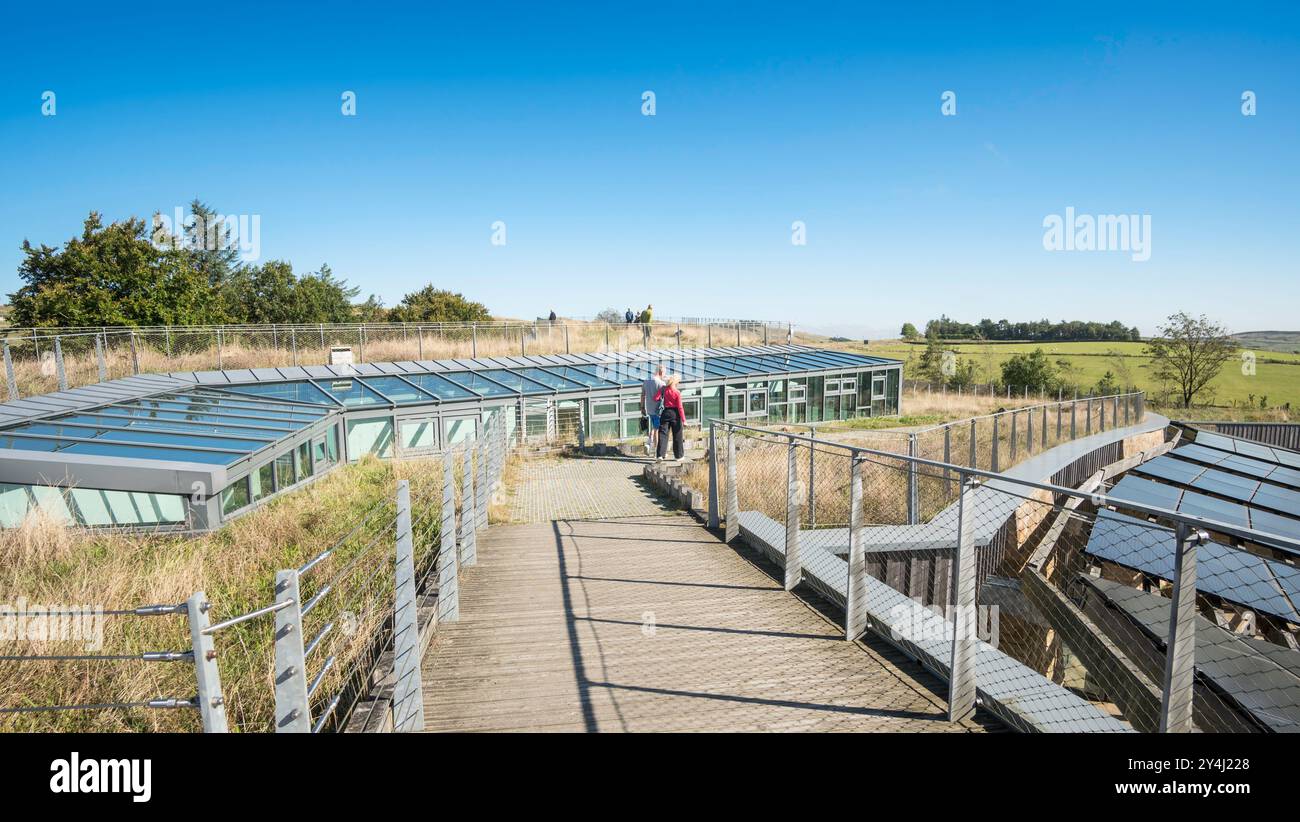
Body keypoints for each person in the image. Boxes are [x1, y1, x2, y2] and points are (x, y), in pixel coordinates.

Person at [655, 374, 685, 460]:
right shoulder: (677, 392)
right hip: (675, 414)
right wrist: (684, 420)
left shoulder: (663, 389)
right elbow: (680, 407)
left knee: (663, 434)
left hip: (665, 413)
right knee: (677, 435)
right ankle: (679, 456)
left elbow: (656, 398)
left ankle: (660, 455)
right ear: (676, 382)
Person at [641, 364, 666, 456]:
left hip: (649, 409)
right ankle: (657, 451)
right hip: (658, 410)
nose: (664, 375)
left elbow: (643, 395)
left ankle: (648, 443)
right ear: (661, 372)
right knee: (657, 429)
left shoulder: (646, 381)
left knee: (654, 427)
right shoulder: (661, 384)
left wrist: (642, 407)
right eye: (664, 373)